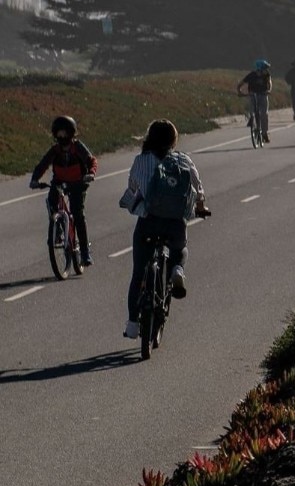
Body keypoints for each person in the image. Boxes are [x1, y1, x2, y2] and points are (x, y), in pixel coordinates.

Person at [118, 119, 209, 339]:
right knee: (180, 249)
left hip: (148, 221)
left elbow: (133, 188)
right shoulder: (184, 160)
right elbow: (197, 188)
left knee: (139, 272)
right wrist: (200, 207)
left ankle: (132, 324)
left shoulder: (141, 160)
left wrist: (128, 202)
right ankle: (178, 268)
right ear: (173, 140)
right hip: (175, 222)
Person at [30, 116, 99, 266]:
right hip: (59, 180)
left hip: (78, 182)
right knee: (51, 201)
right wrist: (35, 179)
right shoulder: (55, 150)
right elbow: (43, 164)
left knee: (78, 213)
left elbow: (91, 160)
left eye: (65, 134)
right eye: (59, 135)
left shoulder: (78, 147)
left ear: (72, 134)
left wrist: (91, 173)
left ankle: (85, 253)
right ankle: (57, 230)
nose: (62, 138)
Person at [236, 59, 272, 143]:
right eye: (265, 68)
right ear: (260, 68)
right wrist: (240, 92)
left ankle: (264, 133)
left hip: (263, 95)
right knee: (252, 110)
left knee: (264, 114)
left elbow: (269, 83)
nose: (266, 69)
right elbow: (240, 84)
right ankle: (251, 119)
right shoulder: (251, 75)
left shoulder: (266, 74)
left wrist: (269, 90)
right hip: (253, 95)